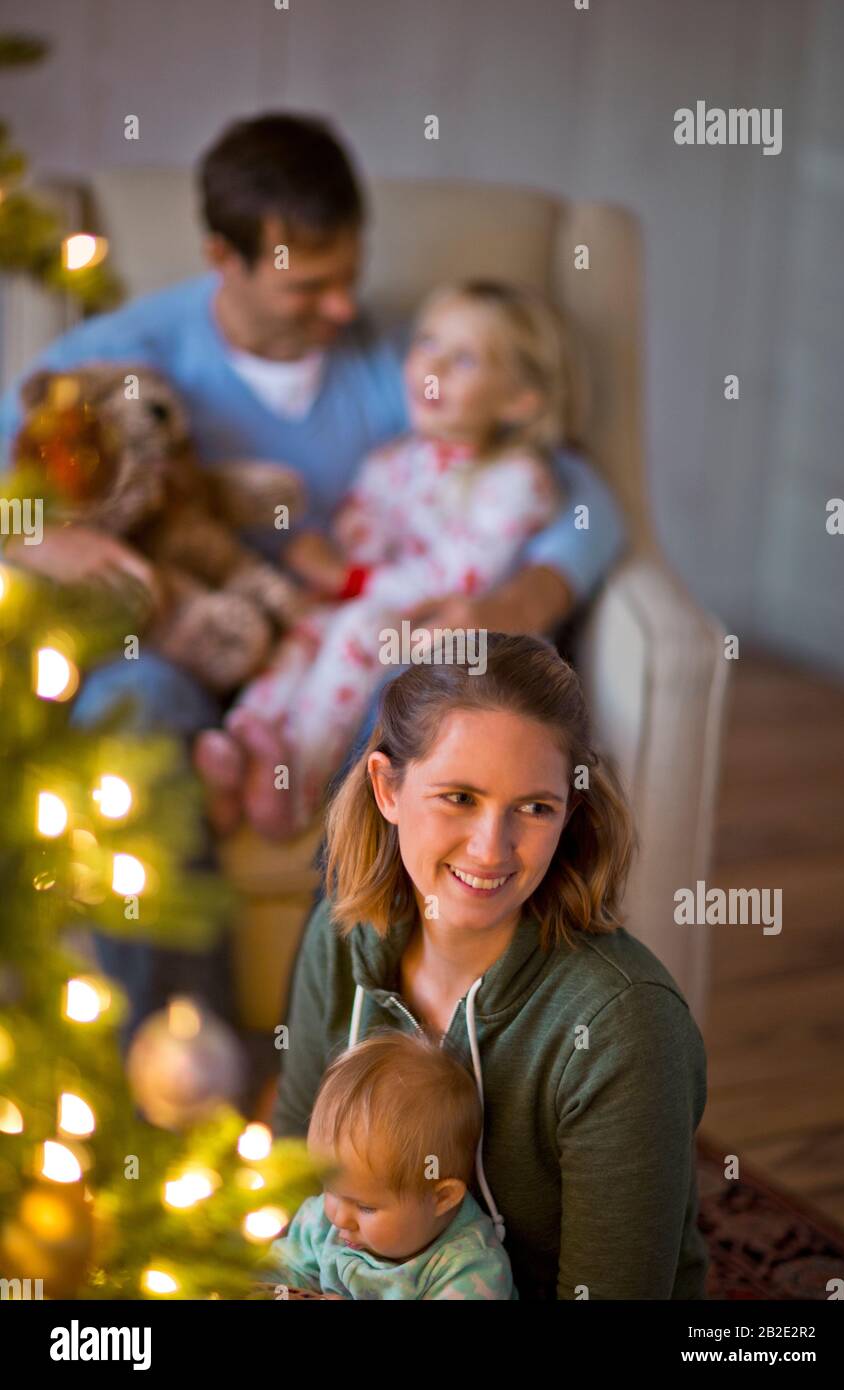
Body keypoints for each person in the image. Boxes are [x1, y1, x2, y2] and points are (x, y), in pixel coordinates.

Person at [0, 111, 623, 1038]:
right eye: (309, 287)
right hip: (178, 635)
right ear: (225, 256)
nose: (340, 310)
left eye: (349, 277)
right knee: (127, 714)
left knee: (421, 712)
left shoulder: (386, 360)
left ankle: (346, 1041)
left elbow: (582, 498)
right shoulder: (120, 360)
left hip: (340, 632)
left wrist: (522, 596)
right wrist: (37, 537)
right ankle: (182, 1051)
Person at [271, 633, 709, 1301]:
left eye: (535, 808)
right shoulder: (341, 933)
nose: (490, 848)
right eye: (460, 798)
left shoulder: (626, 1025)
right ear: (388, 788)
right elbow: (294, 1180)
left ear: (571, 813)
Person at [194, 278, 567, 839]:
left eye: (463, 359)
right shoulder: (394, 460)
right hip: (378, 606)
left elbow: (461, 574)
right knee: (305, 631)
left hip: (449, 635)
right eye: (426, 344)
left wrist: (354, 578)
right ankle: (246, 743)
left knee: (357, 629)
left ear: (518, 400)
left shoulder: (516, 481)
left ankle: (296, 780)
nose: (432, 368)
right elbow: (363, 519)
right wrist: (343, 548)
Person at [265, 1031, 516, 1299]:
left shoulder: (470, 1269)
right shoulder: (321, 1222)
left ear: (441, 1197)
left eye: (366, 1207)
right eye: (330, 1188)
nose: (339, 1218)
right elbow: (277, 1274)